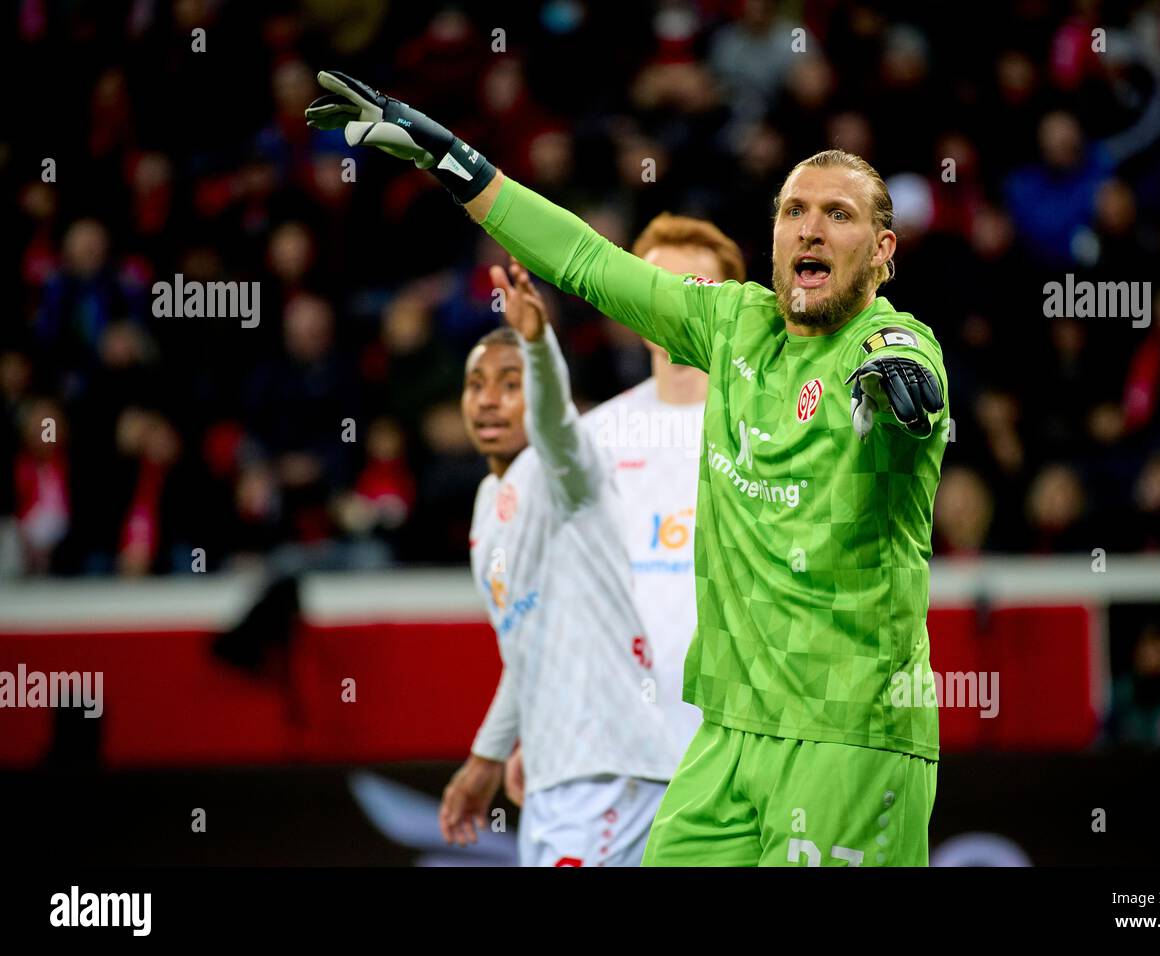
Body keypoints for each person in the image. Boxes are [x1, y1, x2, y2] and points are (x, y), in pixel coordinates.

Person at [308, 70, 948, 867]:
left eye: (838, 215)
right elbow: (584, 259)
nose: (810, 230)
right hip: (725, 735)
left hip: (846, 734)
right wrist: (452, 161)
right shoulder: (732, 325)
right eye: (794, 212)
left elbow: (909, 388)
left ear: (883, 250)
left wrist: (900, 396)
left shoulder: (891, 347)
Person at [439, 259, 680, 867]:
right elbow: (522, 648)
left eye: (510, 383)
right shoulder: (488, 503)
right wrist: (486, 758)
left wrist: (538, 343)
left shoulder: (568, 471)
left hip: (610, 770)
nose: (489, 401)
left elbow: (555, 424)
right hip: (554, 778)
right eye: (477, 384)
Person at [504, 214, 746, 807]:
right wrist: (529, 724)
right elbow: (546, 592)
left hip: (739, 745)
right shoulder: (594, 438)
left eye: (699, 291)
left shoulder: (769, 433)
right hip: (613, 746)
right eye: (660, 289)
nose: (677, 307)